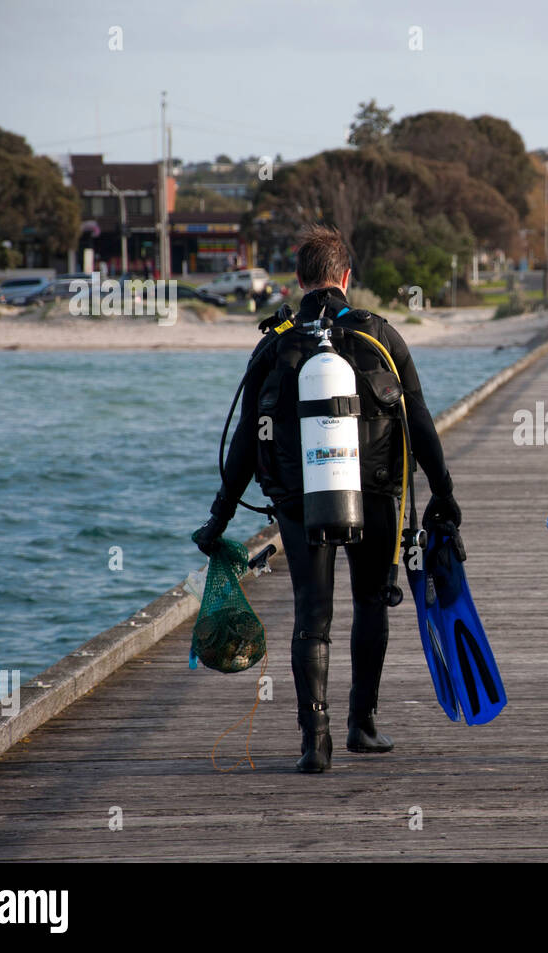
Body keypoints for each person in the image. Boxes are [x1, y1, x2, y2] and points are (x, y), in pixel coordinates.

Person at [193, 224, 461, 773]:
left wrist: (219, 516)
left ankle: (315, 739)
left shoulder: (277, 343)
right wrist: (445, 493)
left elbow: (245, 441)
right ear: (345, 277)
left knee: (312, 616)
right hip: (378, 494)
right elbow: (420, 422)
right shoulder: (381, 335)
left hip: (301, 498)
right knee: (369, 603)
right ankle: (362, 725)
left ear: (299, 278)